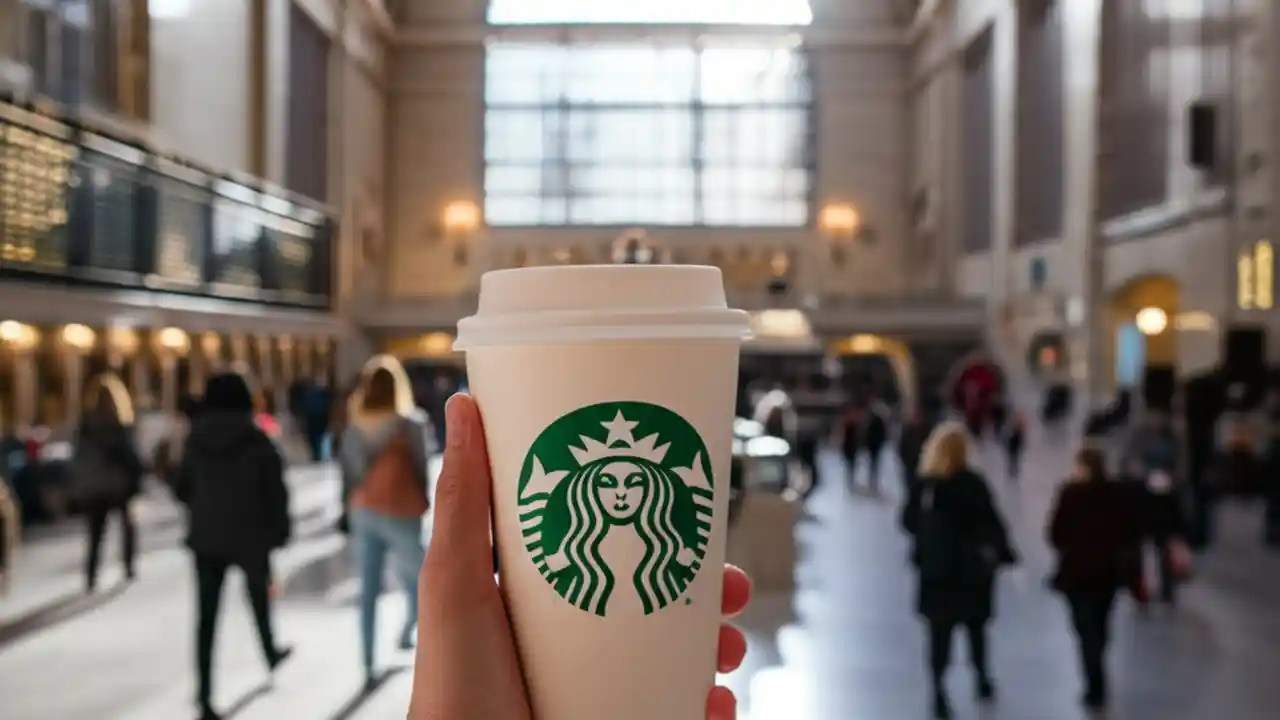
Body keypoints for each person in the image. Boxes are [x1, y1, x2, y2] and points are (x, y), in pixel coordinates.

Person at [405, 394, 750, 719]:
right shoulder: (571, 559)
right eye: (606, 483)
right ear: (584, 489)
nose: (620, 494)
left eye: (634, 482)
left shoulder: (668, 556)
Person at [174, 372, 293, 720]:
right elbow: (276, 491)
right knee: (259, 599)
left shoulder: (196, 439)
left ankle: (205, 694)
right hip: (251, 535)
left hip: (207, 538)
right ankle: (270, 652)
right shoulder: (257, 439)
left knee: (206, 619)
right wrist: (280, 531)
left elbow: (181, 489)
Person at [902, 422, 1015, 720]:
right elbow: (991, 523)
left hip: (936, 574)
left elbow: (907, 522)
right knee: (976, 631)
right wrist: (1005, 555)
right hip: (971, 575)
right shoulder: (973, 484)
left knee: (939, 637)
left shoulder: (926, 486)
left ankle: (938, 691)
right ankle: (982, 680)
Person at [340, 356, 433, 689]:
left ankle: (367, 664)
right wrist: (423, 500)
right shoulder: (411, 422)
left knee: (369, 589)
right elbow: (422, 467)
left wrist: (346, 509)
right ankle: (410, 629)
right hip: (401, 510)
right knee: (418, 579)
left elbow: (350, 475)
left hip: (364, 510)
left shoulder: (355, 425)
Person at [1048, 448, 1142, 711]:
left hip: (1076, 575)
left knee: (1083, 629)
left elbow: (1055, 534)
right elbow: (1129, 531)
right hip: (1107, 574)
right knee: (1100, 626)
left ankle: (1094, 683)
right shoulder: (1116, 494)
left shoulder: (1069, 494)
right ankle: (1097, 673)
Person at [75, 373, 145, 593]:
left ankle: (93, 575)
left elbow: (80, 457)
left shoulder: (89, 425)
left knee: (98, 532)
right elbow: (131, 456)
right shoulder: (118, 425)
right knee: (120, 527)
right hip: (113, 484)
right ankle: (125, 567)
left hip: (99, 485)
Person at [1122, 411, 1188, 604]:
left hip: (1165, 501)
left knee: (1164, 543)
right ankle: (1139, 586)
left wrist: (1172, 478)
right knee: (1139, 544)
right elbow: (1128, 463)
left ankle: (1166, 586)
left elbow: (1182, 466)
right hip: (1143, 497)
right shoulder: (1140, 437)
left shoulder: (1174, 438)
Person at [897, 404, 931, 497]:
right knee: (910, 488)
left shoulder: (926, 430)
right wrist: (905, 460)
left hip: (922, 466)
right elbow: (901, 447)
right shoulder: (907, 431)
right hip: (910, 466)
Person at [863, 400, 889, 494]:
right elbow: (883, 435)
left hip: (873, 446)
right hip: (876, 446)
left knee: (873, 465)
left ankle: (872, 483)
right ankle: (873, 483)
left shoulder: (872, 422)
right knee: (874, 465)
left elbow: (868, 434)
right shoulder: (879, 422)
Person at [1004, 411, 1026, 482]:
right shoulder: (1013, 434)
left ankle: (1013, 471)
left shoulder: (1017, 435)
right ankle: (1012, 472)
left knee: (1014, 461)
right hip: (1012, 450)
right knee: (1012, 461)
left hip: (1014, 450)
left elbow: (1020, 443)